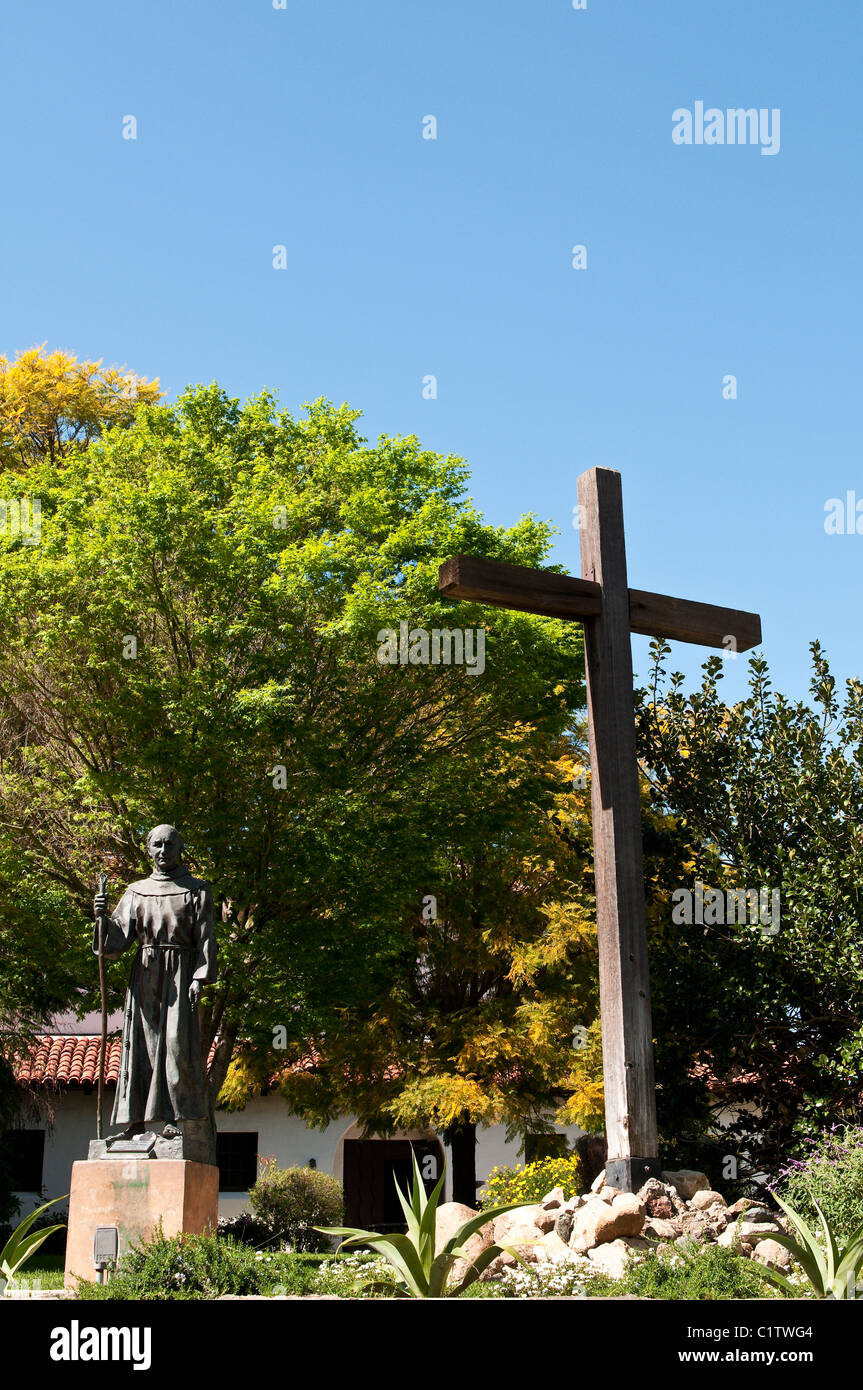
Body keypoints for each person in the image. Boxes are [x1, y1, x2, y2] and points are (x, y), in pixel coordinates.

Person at [93, 824, 217, 1141]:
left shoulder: (197, 890)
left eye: (170, 845)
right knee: (140, 1046)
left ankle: (175, 1116)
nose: (163, 851)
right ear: (149, 848)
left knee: (176, 1046)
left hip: (181, 973)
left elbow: (206, 939)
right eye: (158, 845)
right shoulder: (135, 892)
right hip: (145, 975)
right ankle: (136, 1123)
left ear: (179, 849)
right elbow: (116, 942)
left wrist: (199, 978)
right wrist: (101, 919)